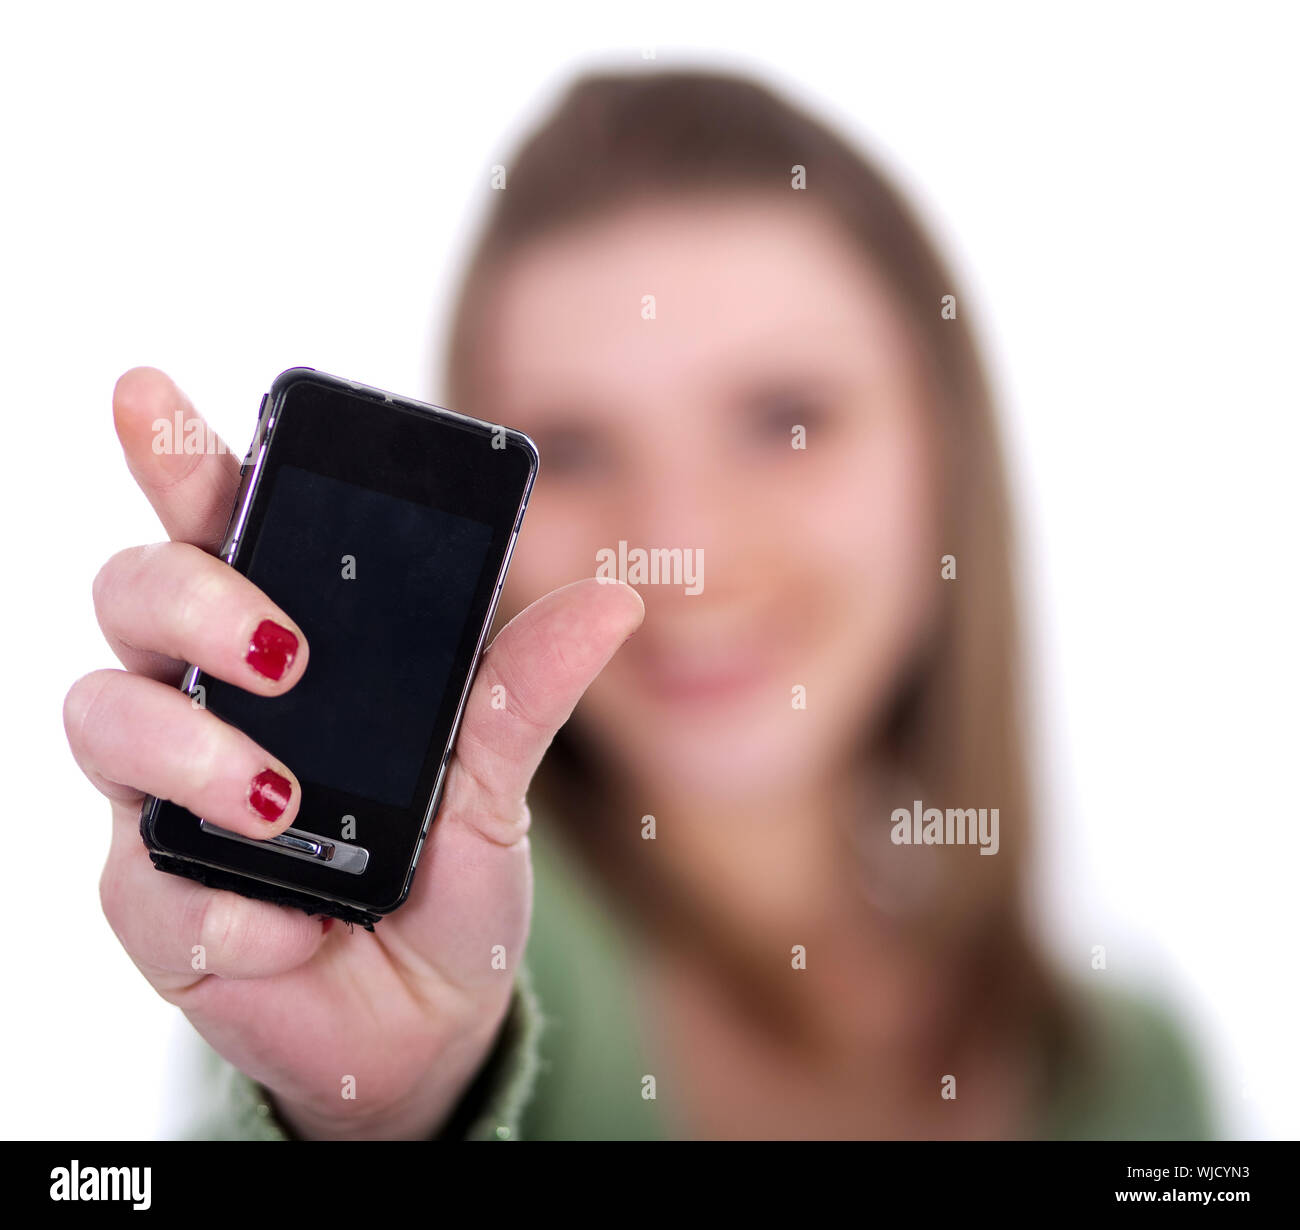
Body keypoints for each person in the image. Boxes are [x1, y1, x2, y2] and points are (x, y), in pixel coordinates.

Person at [65, 69, 1213, 1140]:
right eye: (570, 448)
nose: (682, 547)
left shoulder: (1130, 1072)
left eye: (784, 418)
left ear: (946, 448)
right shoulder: (416, 954)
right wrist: (387, 1116)